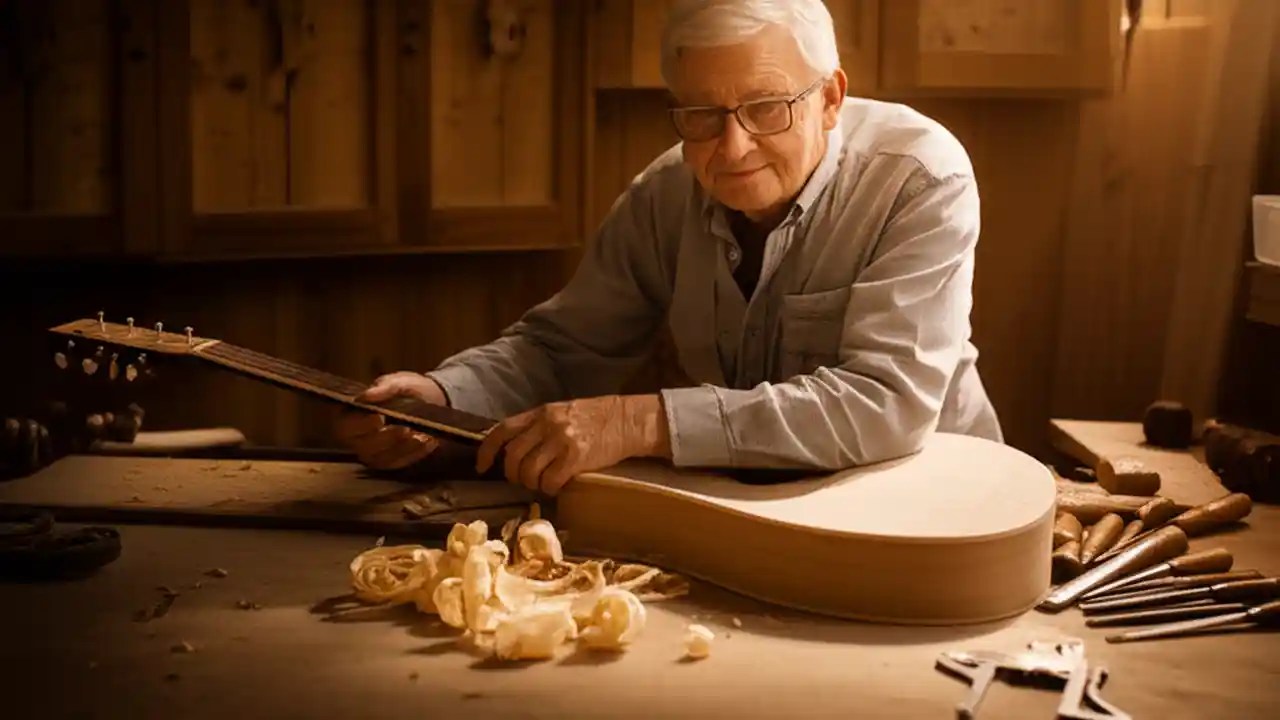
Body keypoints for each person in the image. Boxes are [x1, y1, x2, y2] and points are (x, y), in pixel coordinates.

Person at [335, 0, 1002, 495]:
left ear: (830, 98)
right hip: (765, 505)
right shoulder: (665, 193)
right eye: (702, 116)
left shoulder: (920, 175)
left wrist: (642, 423)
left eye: (767, 107)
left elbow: (885, 405)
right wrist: (441, 396)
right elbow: (561, 350)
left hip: (935, 504)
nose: (732, 146)